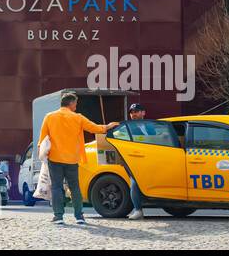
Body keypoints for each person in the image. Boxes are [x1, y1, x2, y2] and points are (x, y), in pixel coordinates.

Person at [38, 92, 119, 226]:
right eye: (75, 103)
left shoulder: (49, 117)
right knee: (75, 188)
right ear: (70, 103)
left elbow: (42, 139)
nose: (76, 106)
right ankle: (79, 216)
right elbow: (94, 128)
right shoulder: (78, 118)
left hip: (55, 158)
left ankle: (58, 217)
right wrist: (108, 126)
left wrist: (42, 154)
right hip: (72, 159)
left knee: (57, 188)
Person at [125, 103, 149, 219]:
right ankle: (138, 210)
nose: (133, 114)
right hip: (135, 159)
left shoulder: (150, 126)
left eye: (136, 111)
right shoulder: (127, 127)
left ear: (143, 113)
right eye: (131, 112)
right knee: (134, 182)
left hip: (152, 158)